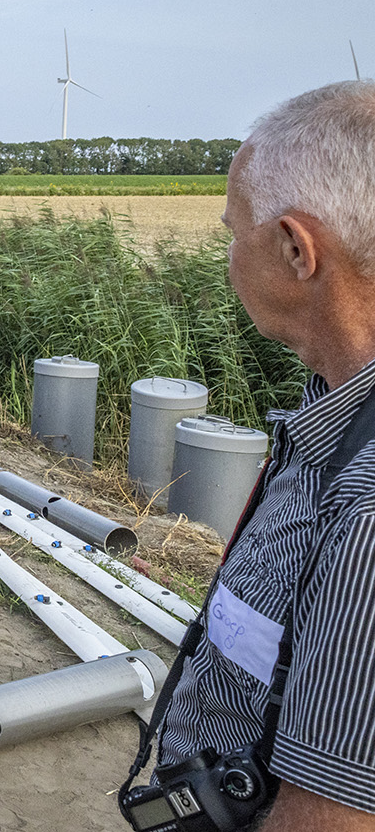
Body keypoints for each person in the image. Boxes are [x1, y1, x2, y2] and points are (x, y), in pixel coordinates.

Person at [142, 81, 375, 829]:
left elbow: (332, 815)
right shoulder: (332, 409)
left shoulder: (366, 514)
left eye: (233, 231)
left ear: (295, 249)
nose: (227, 252)